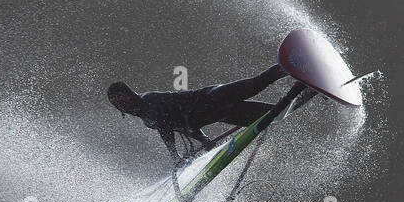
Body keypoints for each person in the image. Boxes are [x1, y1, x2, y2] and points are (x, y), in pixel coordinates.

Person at [107, 64, 288, 160]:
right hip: (224, 113)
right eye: (115, 103)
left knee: (258, 83)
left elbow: (166, 127)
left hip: (213, 97)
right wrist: (204, 140)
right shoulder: (146, 118)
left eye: (120, 99)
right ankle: (306, 91)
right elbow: (184, 125)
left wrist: (175, 156)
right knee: (275, 114)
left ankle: (291, 63)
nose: (120, 105)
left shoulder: (149, 102)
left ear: (129, 94)